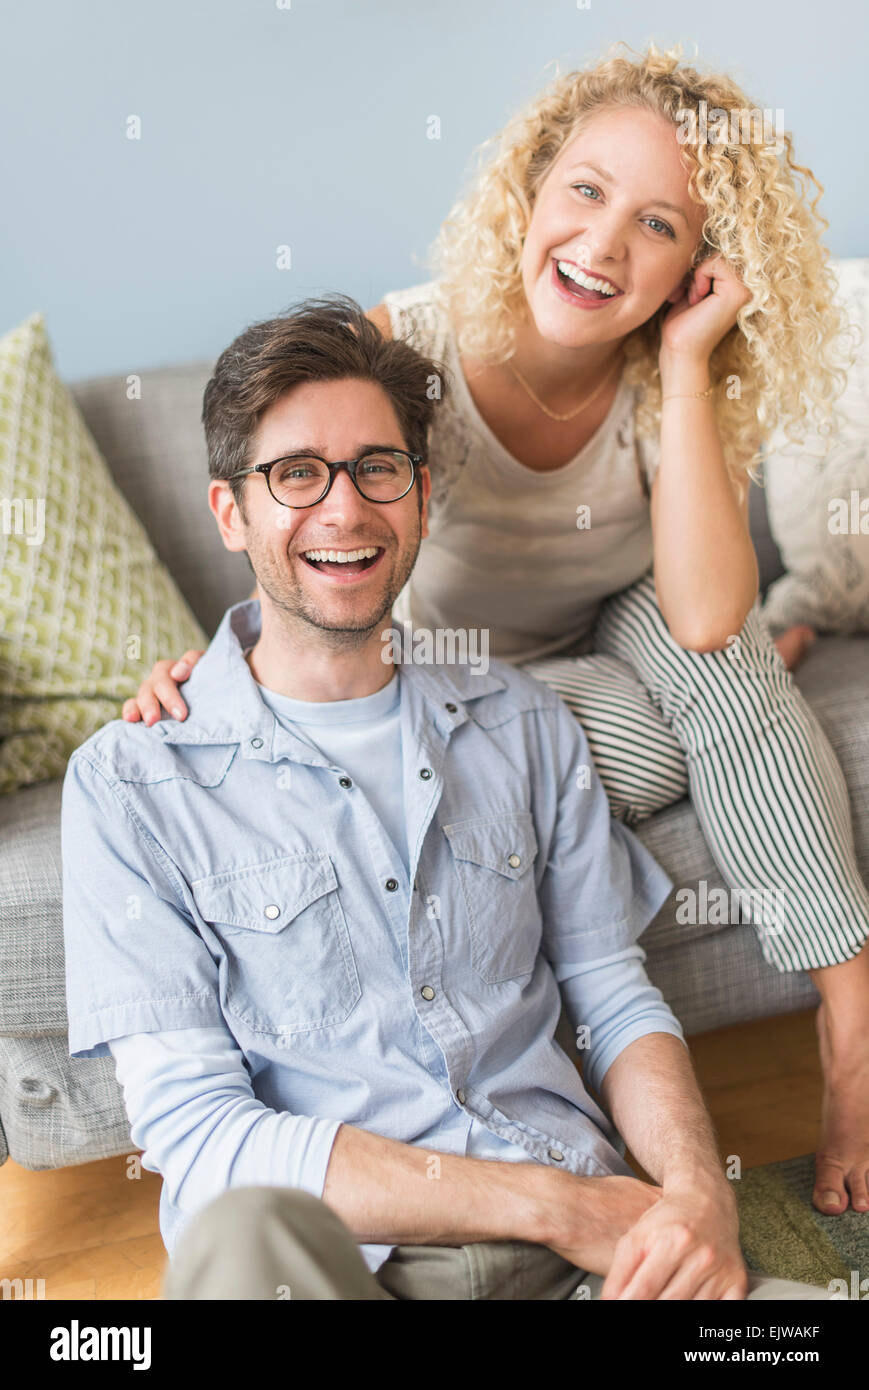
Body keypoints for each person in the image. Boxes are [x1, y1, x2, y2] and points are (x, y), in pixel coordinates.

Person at [125, 43, 869, 1219]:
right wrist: (223, 672)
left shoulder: (669, 381)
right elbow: (308, 532)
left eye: (659, 224)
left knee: (718, 664)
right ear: (527, 187)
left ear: (697, 265)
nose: (603, 243)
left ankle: (847, 1031)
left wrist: (681, 363)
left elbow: (699, 612)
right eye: (583, 189)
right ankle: (735, 701)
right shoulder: (407, 351)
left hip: (623, 631)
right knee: (707, 696)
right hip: (444, 690)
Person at [62, 298, 830, 1301]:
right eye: (295, 473)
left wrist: (693, 1197)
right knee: (244, 1243)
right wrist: (552, 1203)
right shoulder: (131, 783)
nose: (343, 510)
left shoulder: (519, 721)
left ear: (419, 496)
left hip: (593, 1267)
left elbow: (610, 990)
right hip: (352, 1269)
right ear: (229, 511)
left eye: (375, 468)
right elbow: (203, 1138)